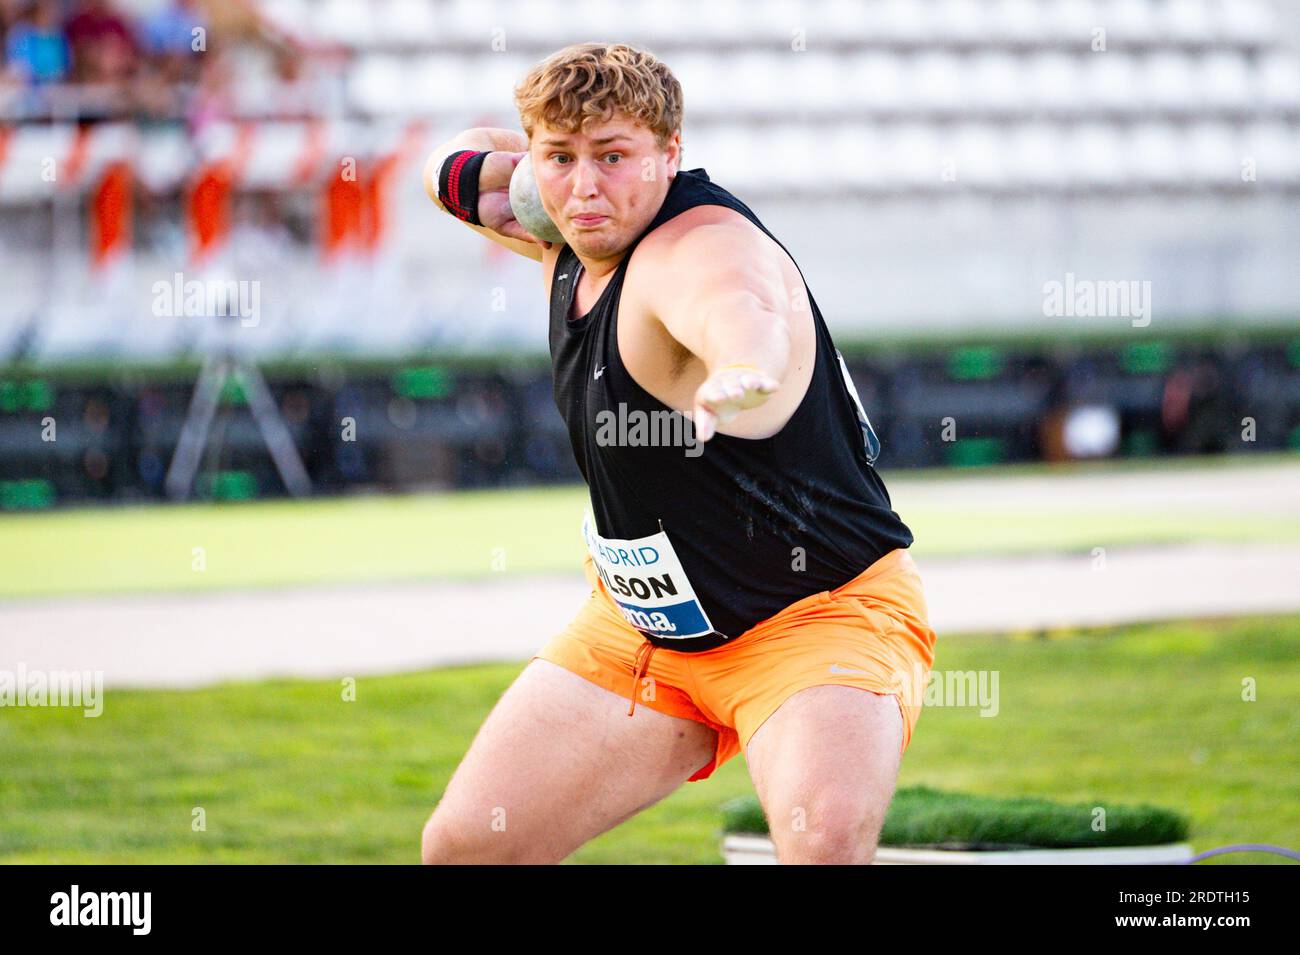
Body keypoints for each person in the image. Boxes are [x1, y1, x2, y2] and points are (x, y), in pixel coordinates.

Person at [419, 41, 937, 864]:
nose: (587, 187)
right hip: (642, 626)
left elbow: (740, 304)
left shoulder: (694, 247)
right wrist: (527, 168)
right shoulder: (565, 237)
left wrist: (745, 370)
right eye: (563, 158)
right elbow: (446, 172)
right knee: (465, 848)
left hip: (811, 617)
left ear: (672, 155)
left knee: (823, 845)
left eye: (614, 157)